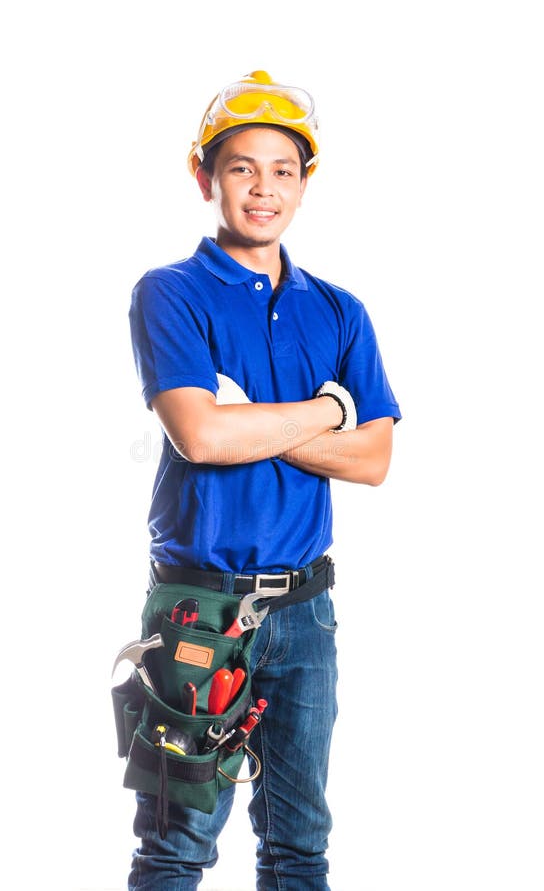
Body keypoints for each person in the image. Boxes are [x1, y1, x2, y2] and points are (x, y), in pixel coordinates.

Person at [127, 69, 401, 890]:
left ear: (304, 183)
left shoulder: (340, 310)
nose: (263, 188)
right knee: (176, 846)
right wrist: (327, 408)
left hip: (307, 615)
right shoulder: (170, 294)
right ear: (204, 176)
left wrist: (263, 420)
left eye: (283, 170)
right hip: (196, 611)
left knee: (299, 846)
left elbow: (375, 460)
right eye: (242, 167)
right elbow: (203, 436)